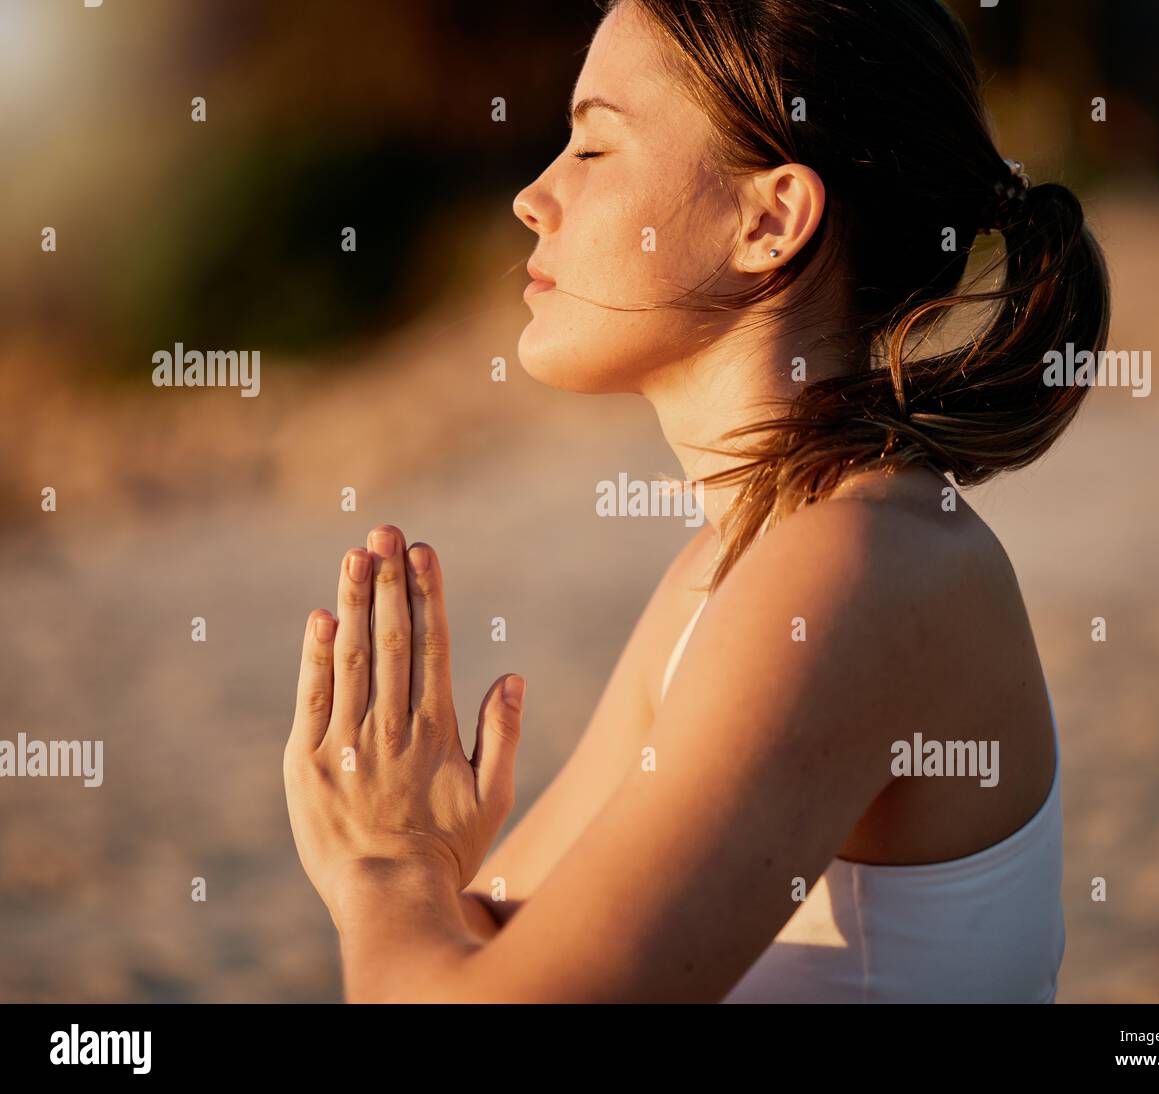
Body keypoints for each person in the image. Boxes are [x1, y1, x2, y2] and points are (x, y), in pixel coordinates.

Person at [283, 0, 1109, 1002]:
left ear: (768, 221)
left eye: (592, 148)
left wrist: (383, 867)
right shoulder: (729, 570)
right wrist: (414, 869)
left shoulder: (858, 567)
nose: (532, 198)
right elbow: (490, 940)